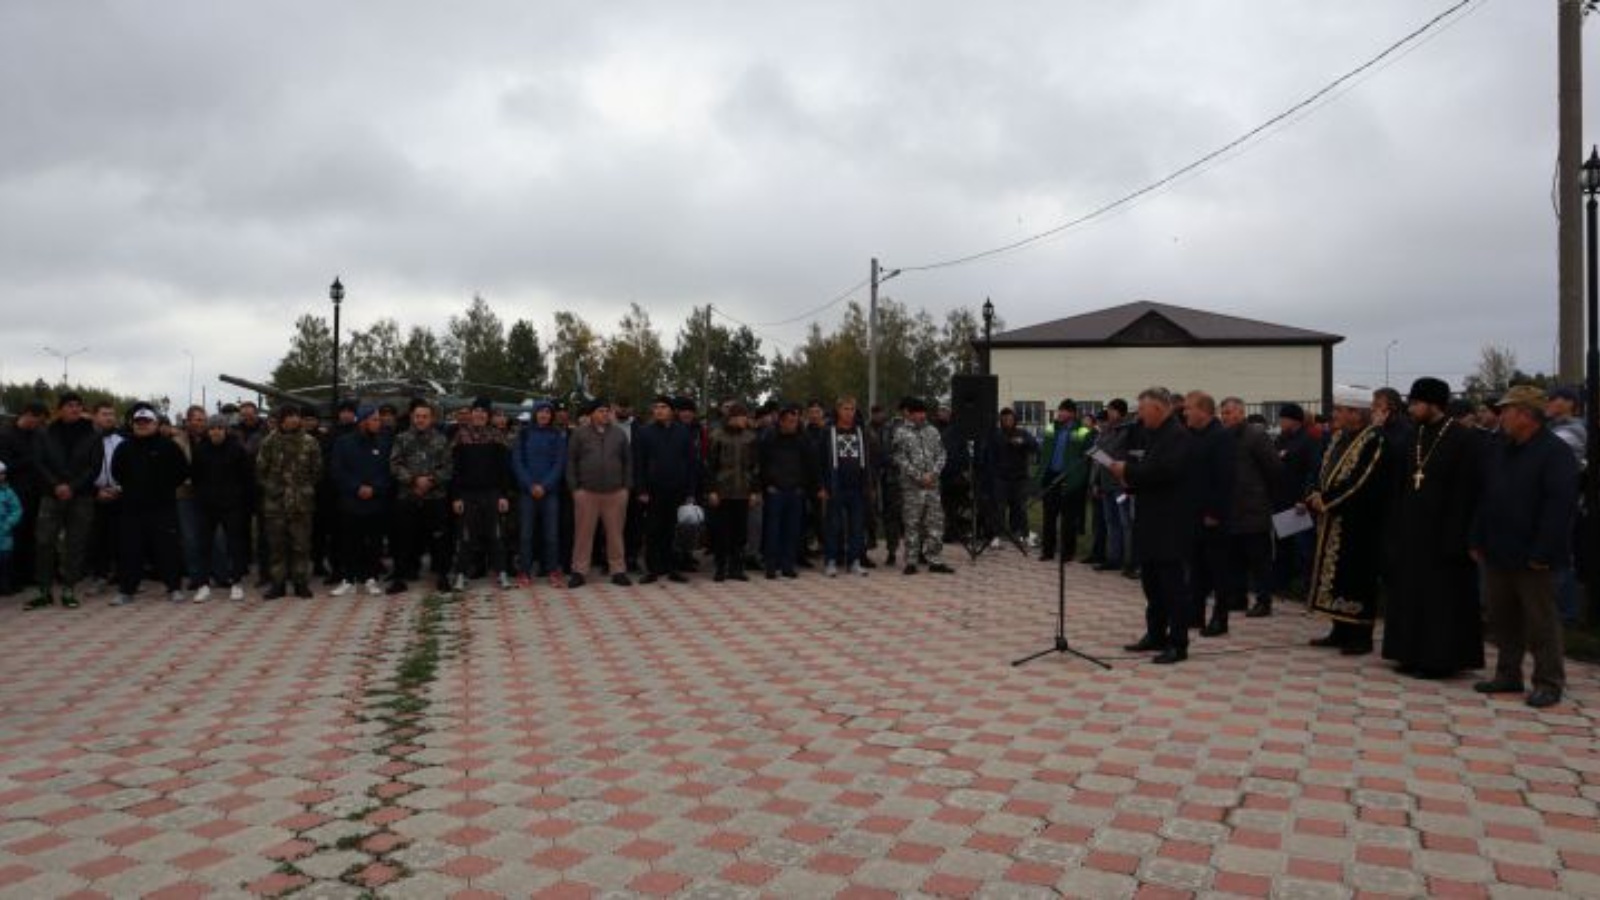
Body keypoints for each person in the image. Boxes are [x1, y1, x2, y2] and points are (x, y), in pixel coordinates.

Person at [1472, 386, 1579, 709]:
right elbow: (1485, 496)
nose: (1501, 416)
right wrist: (1477, 538)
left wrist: (1543, 551)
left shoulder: (1555, 452)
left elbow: (1559, 507)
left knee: (1540, 621)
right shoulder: (1501, 449)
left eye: (1506, 410)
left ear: (1526, 415)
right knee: (1502, 617)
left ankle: (1548, 682)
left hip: (1534, 556)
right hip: (1498, 549)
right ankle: (1508, 673)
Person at [1381, 377, 1484, 679]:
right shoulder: (1414, 435)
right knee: (1410, 594)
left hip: (1445, 534)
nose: (1411, 409)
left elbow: (1467, 492)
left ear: (1434, 404)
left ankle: (1439, 660)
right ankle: (1408, 653)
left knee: (1440, 599)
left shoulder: (1462, 439)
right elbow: (1402, 482)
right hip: (1411, 532)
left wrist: (1458, 535)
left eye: (1416, 403)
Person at [1112, 387, 1195, 664]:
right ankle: (1156, 633)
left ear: (1158, 409)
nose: (1139, 416)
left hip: (1169, 522)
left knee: (1172, 585)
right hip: (1150, 519)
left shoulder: (1178, 436)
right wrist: (1129, 480)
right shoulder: (1155, 434)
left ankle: (1178, 642)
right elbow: (1149, 473)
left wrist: (1127, 470)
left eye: (1143, 410)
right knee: (1152, 584)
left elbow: (1166, 472)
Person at [1306, 387, 1389, 656]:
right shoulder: (1338, 437)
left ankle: (1360, 635)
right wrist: (1315, 492)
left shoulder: (1374, 439)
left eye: (1340, 410)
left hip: (1359, 522)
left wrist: (1326, 500)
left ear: (1356, 413)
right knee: (1336, 577)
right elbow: (1323, 470)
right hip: (1334, 518)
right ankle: (1339, 629)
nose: (1334, 415)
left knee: (1356, 576)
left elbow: (1360, 481)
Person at [109, 404, 189, 605]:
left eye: (147, 422)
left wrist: (164, 488)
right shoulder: (124, 447)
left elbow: (182, 471)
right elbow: (116, 472)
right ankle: (126, 590)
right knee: (130, 549)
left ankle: (174, 588)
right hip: (132, 508)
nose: (142, 425)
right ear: (133, 424)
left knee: (167, 548)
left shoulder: (168, 446)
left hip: (163, 507)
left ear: (155, 424)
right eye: (139, 422)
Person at [29, 392, 104, 610]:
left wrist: (72, 486)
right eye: (70, 405)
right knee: (44, 542)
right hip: (51, 494)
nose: (75, 409)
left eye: (78, 405)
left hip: (81, 496)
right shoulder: (45, 432)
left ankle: (69, 589)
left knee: (75, 544)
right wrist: (56, 485)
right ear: (60, 408)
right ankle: (44, 591)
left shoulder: (93, 433)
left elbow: (94, 466)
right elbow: (38, 462)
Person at [1219, 397, 1282, 620]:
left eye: (1229, 413)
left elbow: (1274, 468)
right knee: (1234, 556)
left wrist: (1262, 494)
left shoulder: (1256, 435)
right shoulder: (1224, 436)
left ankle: (1264, 600)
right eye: (1223, 413)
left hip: (1254, 506)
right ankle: (1238, 597)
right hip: (1232, 507)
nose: (1225, 417)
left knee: (1259, 558)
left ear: (1241, 412)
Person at [1182, 392, 1237, 636]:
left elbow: (1224, 478)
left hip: (1213, 515)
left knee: (1218, 569)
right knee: (1197, 567)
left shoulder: (1221, 436)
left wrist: (1214, 511)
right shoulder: (1192, 435)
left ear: (1203, 411)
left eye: (1188, 408)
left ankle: (1220, 618)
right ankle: (1196, 614)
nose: (1185, 412)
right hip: (1193, 512)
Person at [256, 404, 323, 600]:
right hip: (275, 503)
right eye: (290, 416)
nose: (294, 419)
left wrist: (303, 488)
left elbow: (317, 470)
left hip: (301, 502)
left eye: (296, 416)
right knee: (277, 546)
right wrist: (273, 488)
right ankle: (278, 584)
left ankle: (300, 583)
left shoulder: (310, 442)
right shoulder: (269, 442)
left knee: (301, 545)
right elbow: (260, 471)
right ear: (282, 419)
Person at [388, 401, 453, 595]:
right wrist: (414, 480)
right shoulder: (401, 438)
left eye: (425, 416)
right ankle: (399, 578)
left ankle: (442, 576)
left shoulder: (441, 439)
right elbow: (395, 464)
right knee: (403, 538)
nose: (421, 420)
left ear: (431, 418)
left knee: (440, 539)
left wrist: (430, 481)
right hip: (408, 496)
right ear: (412, 417)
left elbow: (448, 467)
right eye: (417, 416)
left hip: (435, 497)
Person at [566, 398, 632, 588]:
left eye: (607, 411)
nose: (605, 414)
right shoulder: (579, 434)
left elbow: (628, 462)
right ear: (592, 414)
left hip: (615, 492)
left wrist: (626, 488)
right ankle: (579, 571)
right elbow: (571, 461)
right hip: (587, 492)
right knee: (583, 535)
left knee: (615, 534)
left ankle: (618, 570)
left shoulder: (619, 434)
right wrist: (575, 489)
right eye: (601, 411)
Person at [449, 397, 513, 591]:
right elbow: (454, 470)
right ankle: (461, 574)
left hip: (492, 493)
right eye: (476, 410)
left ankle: (502, 573)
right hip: (467, 494)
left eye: (484, 411)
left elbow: (504, 469)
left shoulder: (497, 436)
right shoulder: (461, 436)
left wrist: (503, 495)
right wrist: (456, 497)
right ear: (471, 413)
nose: (480, 414)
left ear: (488, 415)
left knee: (496, 535)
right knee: (466, 536)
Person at [631, 396, 697, 585]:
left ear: (672, 411)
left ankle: (672, 568)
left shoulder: (683, 432)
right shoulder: (645, 432)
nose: (659, 410)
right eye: (656, 407)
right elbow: (639, 463)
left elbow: (691, 463)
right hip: (653, 491)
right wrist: (641, 489)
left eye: (663, 407)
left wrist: (690, 491)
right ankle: (652, 569)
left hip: (677, 489)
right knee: (653, 530)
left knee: (673, 531)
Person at [330, 405, 393, 597]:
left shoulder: (384, 443)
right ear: (363, 421)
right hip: (351, 501)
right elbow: (337, 470)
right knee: (349, 542)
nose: (378, 423)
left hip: (375, 501)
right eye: (374, 419)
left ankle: (370, 578)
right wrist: (356, 487)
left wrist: (374, 488)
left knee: (374, 542)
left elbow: (388, 471)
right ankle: (348, 579)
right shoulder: (343, 443)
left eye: (379, 419)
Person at [190, 415, 253, 602]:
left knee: (235, 544)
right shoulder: (200, 450)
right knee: (203, 545)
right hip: (206, 505)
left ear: (225, 430)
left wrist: (242, 500)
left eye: (219, 428)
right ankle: (203, 585)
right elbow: (195, 476)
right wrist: (202, 496)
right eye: (212, 428)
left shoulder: (237, 449)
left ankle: (237, 583)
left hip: (232, 505)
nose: (215, 431)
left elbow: (247, 477)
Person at [892, 398, 953, 575]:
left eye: (923, 412)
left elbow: (942, 454)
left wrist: (933, 474)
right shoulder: (901, 432)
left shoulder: (932, 431)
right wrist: (919, 476)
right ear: (910, 414)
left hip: (932, 485)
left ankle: (934, 559)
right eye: (917, 412)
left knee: (935, 522)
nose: (921, 415)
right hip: (912, 487)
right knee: (912, 523)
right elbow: (900, 458)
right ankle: (911, 561)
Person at [512, 400, 567, 589]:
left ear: (551, 416)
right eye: (541, 411)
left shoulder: (557, 435)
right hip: (527, 492)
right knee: (526, 535)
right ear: (535, 414)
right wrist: (530, 485)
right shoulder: (524, 434)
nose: (544, 415)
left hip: (549, 492)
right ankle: (524, 572)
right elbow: (517, 461)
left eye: (547, 412)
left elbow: (559, 463)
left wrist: (545, 486)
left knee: (551, 535)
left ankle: (552, 571)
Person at [817, 397, 873, 577]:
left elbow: (869, 459)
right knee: (833, 526)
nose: (849, 413)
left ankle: (854, 561)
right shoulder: (828, 431)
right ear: (838, 410)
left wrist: (868, 484)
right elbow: (819, 461)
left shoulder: (861, 431)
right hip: (835, 486)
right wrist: (822, 486)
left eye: (852, 409)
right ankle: (831, 561)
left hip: (857, 487)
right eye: (845, 409)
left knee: (857, 527)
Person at [1272, 403, 1320, 601]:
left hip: (1298, 505)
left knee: (1302, 550)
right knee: (1283, 546)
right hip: (1281, 501)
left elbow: (1313, 470)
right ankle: (1283, 585)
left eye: (1283, 419)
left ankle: (1305, 587)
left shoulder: (1307, 441)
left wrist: (1304, 499)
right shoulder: (1281, 439)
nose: (1280, 422)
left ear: (1294, 420)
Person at [707, 403, 760, 581]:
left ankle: (737, 568)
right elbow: (710, 466)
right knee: (722, 532)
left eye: (746, 417)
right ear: (732, 418)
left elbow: (755, 467)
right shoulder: (717, 436)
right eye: (742, 417)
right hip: (722, 491)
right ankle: (720, 568)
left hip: (743, 491)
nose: (745, 420)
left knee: (740, 533)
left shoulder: (750, 438)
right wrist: (712, 490)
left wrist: (754, 491)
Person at [760, 404, 813, 579]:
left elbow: (808, 464)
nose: (793, 424)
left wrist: (802, 486)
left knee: (792, 530)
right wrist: (768, 485)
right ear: (781, 421)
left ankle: (787, 565)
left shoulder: (802, 440)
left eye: (795, 421)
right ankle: (771, 565)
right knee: (773, 530)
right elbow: (762, 463)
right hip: (775, 491)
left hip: (795, 491)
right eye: (790, 421)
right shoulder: (770, 438)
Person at [1038, 400, 1093, 563]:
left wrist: (1078, 479)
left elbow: (1086, 458)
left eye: (1064, 411)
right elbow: (1044, 451)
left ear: (1073, 414)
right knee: (1049, 516)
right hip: (1050, 476)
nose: (1060, 413)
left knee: (1068, 519)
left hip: (1070, 478)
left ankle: (1067, 553)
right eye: (1060, 410)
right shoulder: (1051, 428)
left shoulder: (1083, 431)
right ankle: (1047, 551)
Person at [0, 401, 46, 594]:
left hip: (35, 493)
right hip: (13, 494)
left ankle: (28, 574)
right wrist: (31, 459)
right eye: (37, 420)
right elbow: (5, 466)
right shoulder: (5, 435)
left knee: (30, 534)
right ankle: (11, 579)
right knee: (14, 537)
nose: (39, 424)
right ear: (27, 414)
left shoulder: (38, 435)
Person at [1089, 399, 1132, 572]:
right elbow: (1095, 451)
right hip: (1105, 483)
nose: (1108, 413)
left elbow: (1110, 451)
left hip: (1120, 485)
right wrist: (1095, 482)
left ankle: (1129, 561)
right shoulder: (1106, 430)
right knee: (1111, 522)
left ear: (1120, 412)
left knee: (1125, 523)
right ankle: (1114, 558)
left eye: (1111, 410)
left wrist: (1101, 454)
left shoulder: (1127, 430)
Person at [991, 407, 1039, 547]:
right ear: (1001, 420)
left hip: (1019, 478)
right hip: (1001, 478)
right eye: (1005, 419)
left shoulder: (1022, 433)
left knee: (1020, 508)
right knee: (999, 508)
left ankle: (1023, 534)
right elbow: (991, 454)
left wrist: (1023, 442)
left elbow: (1035, 446)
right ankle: (997, 535)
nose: (1008, 421)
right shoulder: (996, 435)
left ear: (1014, 420)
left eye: (1010, 419)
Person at [0, 462, 20, 596]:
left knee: (5, 563)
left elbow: (16, 510)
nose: (1, 476)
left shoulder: (8, 492)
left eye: (3, 473)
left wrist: (8, 524)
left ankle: (6, 586)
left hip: (4, 534)